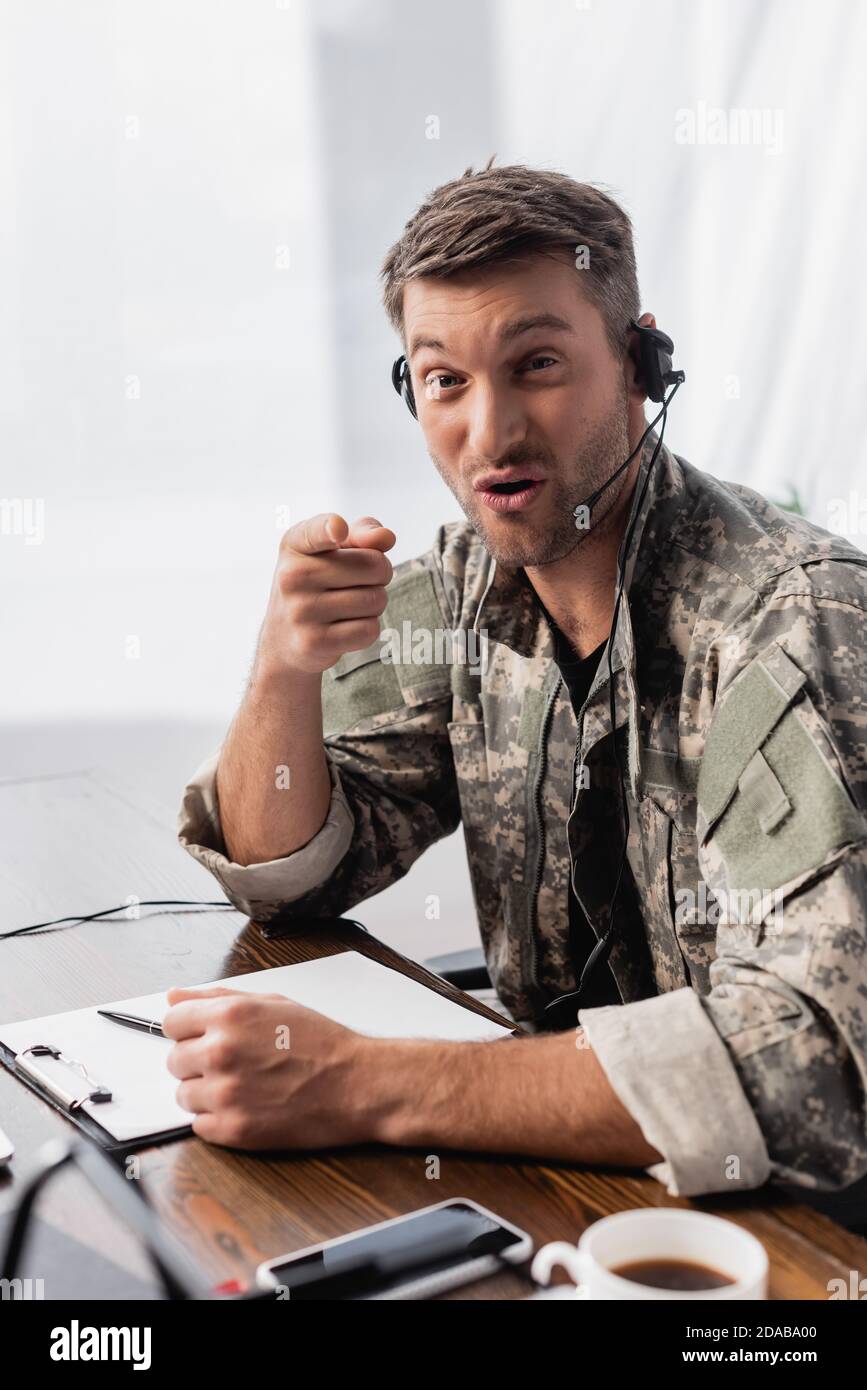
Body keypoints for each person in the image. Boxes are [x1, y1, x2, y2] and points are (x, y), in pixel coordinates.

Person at [172, 161, 867, 1218]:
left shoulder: (787, 619)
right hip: (564, 1180)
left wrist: (365, 1081)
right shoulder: (454, 589)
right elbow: (286, 870)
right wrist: (283, 664)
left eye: (536, 362)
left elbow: (816, 1064)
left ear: (640, 362)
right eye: (444, 379)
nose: (489, 432)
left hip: (801, 1228)